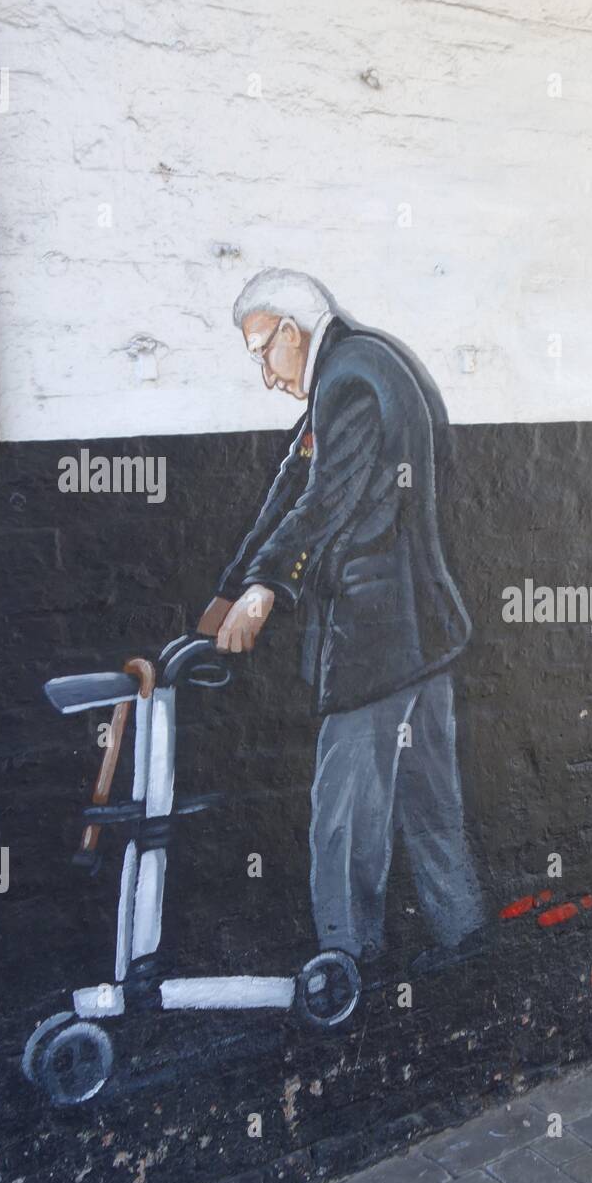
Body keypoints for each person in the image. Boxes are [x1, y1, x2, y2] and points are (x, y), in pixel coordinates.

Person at [199, 269, 487, 976]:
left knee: (344, 812)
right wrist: (228, 590)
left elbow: (324, 499)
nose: (265, 374)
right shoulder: (361, 362)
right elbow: (294, 484)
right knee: (430, 803)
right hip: (422, 632)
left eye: (262, 352)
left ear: (291, 334)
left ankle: (343, 961)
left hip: (376, 640)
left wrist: (266, 588)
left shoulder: (350, 379)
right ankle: (466, 943)